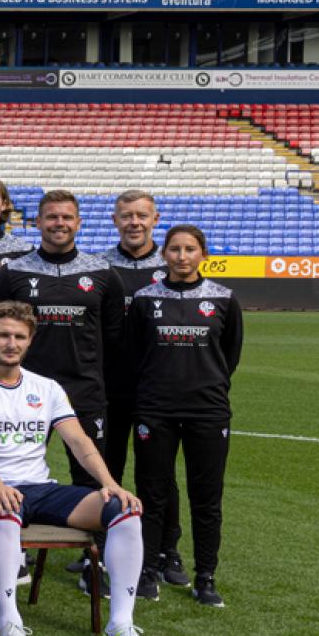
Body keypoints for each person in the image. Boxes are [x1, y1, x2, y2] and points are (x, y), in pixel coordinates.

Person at [0, 301, 156, 636]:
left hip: (41, 488)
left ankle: (120, 625)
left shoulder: (47, 388)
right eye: (3, 335)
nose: (11, 343)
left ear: (30, 342)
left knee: (123, 510)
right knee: (6, 506)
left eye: (19, 337)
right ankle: (9, 622)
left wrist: (111, 483)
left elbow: (78, 441)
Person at [127, 225, 241, 609]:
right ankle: (147, 572)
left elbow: (230, 355)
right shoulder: (144, 300)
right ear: (164, 255)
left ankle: (205, 577)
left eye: (189, 249)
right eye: (174, 249)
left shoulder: (223, 299)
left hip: (207, 410)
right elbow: (135, 353)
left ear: (202, 254)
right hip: (154, 410)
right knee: (153, 493)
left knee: (206, 498)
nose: (181, 256)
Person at [0, 189, 124, 490]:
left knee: (92, 481)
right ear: (38, 222)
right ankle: (11, 536)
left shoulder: (103, 273)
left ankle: (95, 539)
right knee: (16, 476)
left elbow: (114, 339)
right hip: (24, 392)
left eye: (66, 217)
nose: (58, 223)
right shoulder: (13, 273)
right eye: (51, 217)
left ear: (78, 222)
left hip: (85, 391)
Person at [103, 190, 165, 495]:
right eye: (127, 216)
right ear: (115, 220)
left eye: (141, 215)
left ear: (155, 219)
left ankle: (163, 541)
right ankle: (100, 537)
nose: (134, 223)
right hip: (108, 386)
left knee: (156, 471)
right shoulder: (99, 267)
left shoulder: (172, 269)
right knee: (106, 466)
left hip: (157, 388)